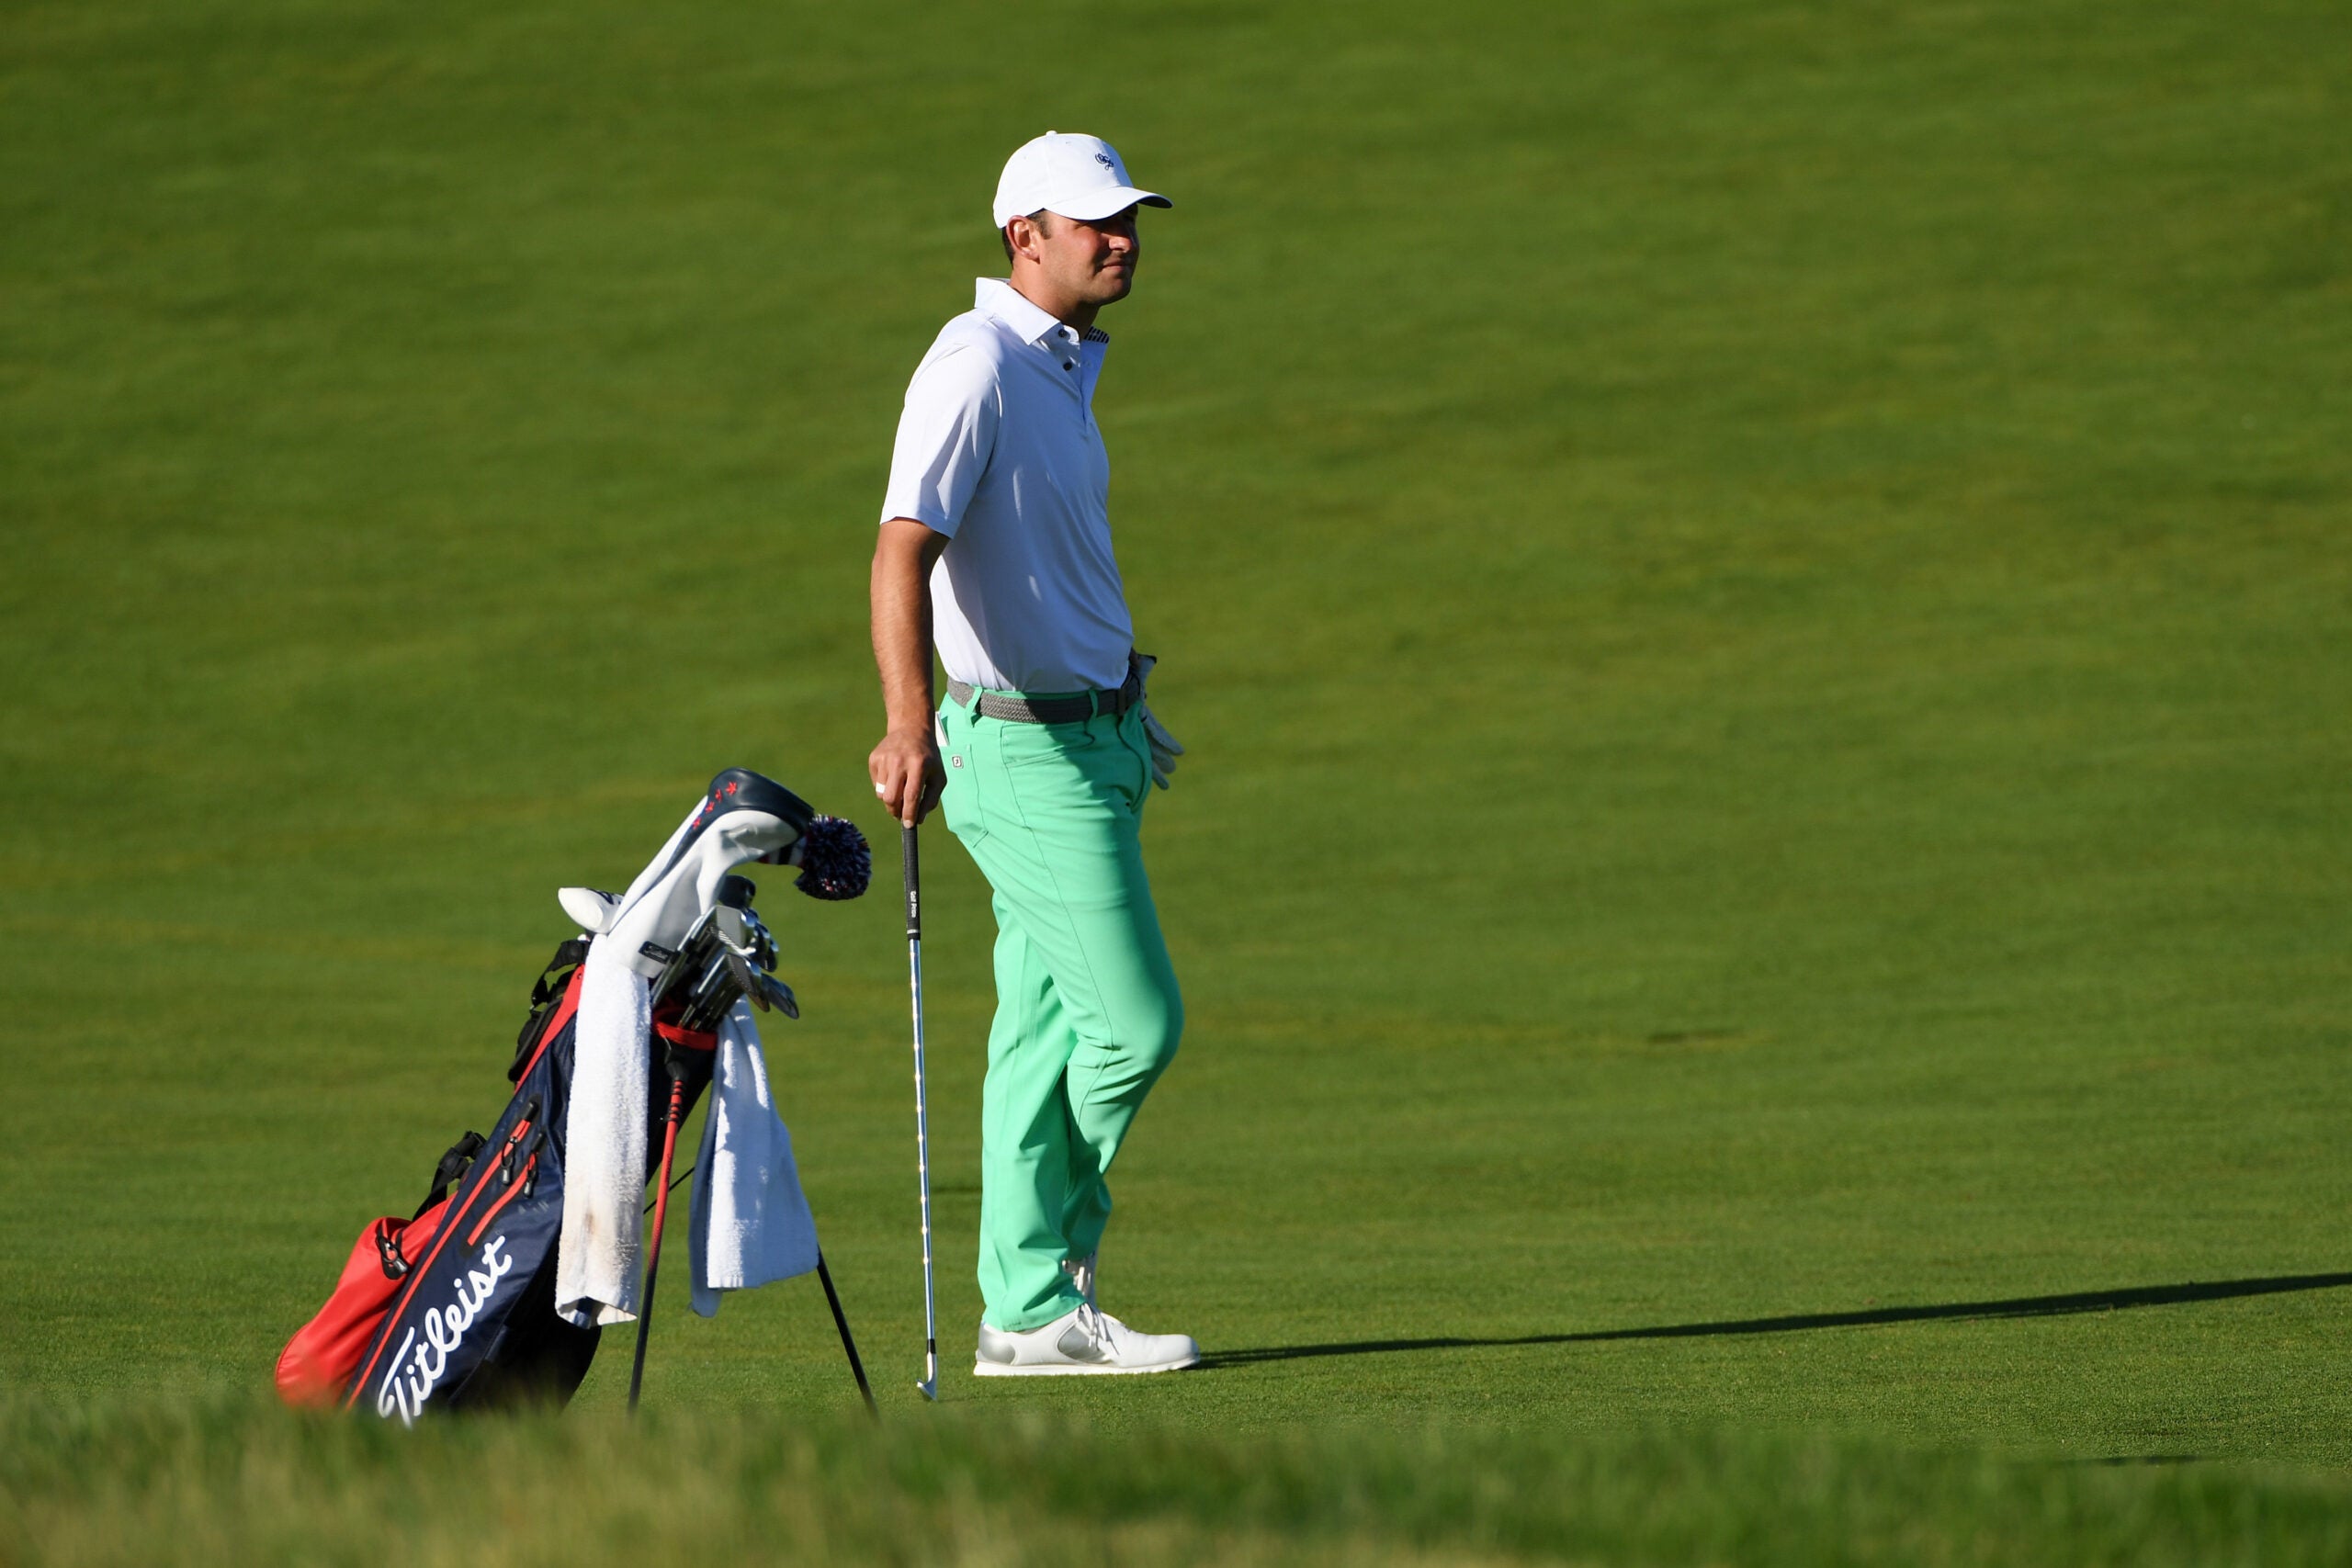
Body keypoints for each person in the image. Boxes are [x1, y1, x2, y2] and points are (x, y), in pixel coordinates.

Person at [866, 131, 1197, 1376]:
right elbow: (903, 545)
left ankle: (1026, 1313)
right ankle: (1046, 1278)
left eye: (1129, 218)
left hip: (1099, 739)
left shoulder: (1057, 368)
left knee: (1048, 1036)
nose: (1122, 238)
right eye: (1094, 220)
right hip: (1022, 756)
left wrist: (1116, 694)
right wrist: (907, 722)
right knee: (1136, 1025)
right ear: (1026, 238)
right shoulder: (976, 367)